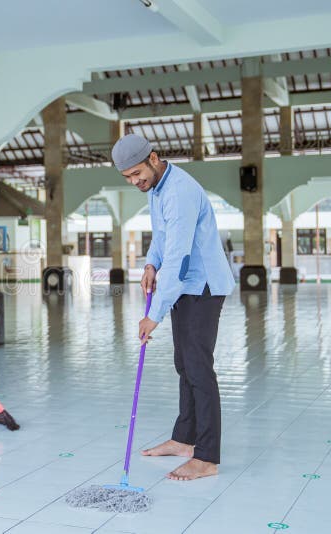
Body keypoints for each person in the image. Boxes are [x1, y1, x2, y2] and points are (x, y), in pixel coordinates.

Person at [112, 134, 236, 481]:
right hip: (186, 285)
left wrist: (154, 316)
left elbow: (179, 258)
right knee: (185, 364)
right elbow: (162, 237)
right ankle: (184, 440)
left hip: (203, 285)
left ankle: (207, 457)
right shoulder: (157, 189)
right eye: (128, 178)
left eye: (137, 173)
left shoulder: (179, 191)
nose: (135, 181)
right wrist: (151, 263)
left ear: (154, 158)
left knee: (199, 369)